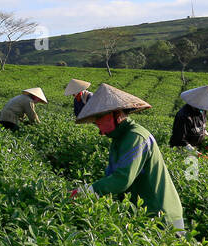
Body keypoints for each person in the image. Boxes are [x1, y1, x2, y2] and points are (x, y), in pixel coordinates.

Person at [71, 85, 185, 234]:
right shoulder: (119, 139)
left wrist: (87, 191)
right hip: (143, 213)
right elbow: (112, 176)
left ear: (117, 115)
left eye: (99, 118)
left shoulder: (136, 136)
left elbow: (122, 179)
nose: (96, 123)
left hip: (162, 215)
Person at [170, 85, 208, 150]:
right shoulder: (183, 116)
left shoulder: (202, 111)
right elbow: (179, 140)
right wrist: (196, 153)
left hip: (195, 147)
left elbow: (201, 128)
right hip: (182, 150)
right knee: (189, 160)